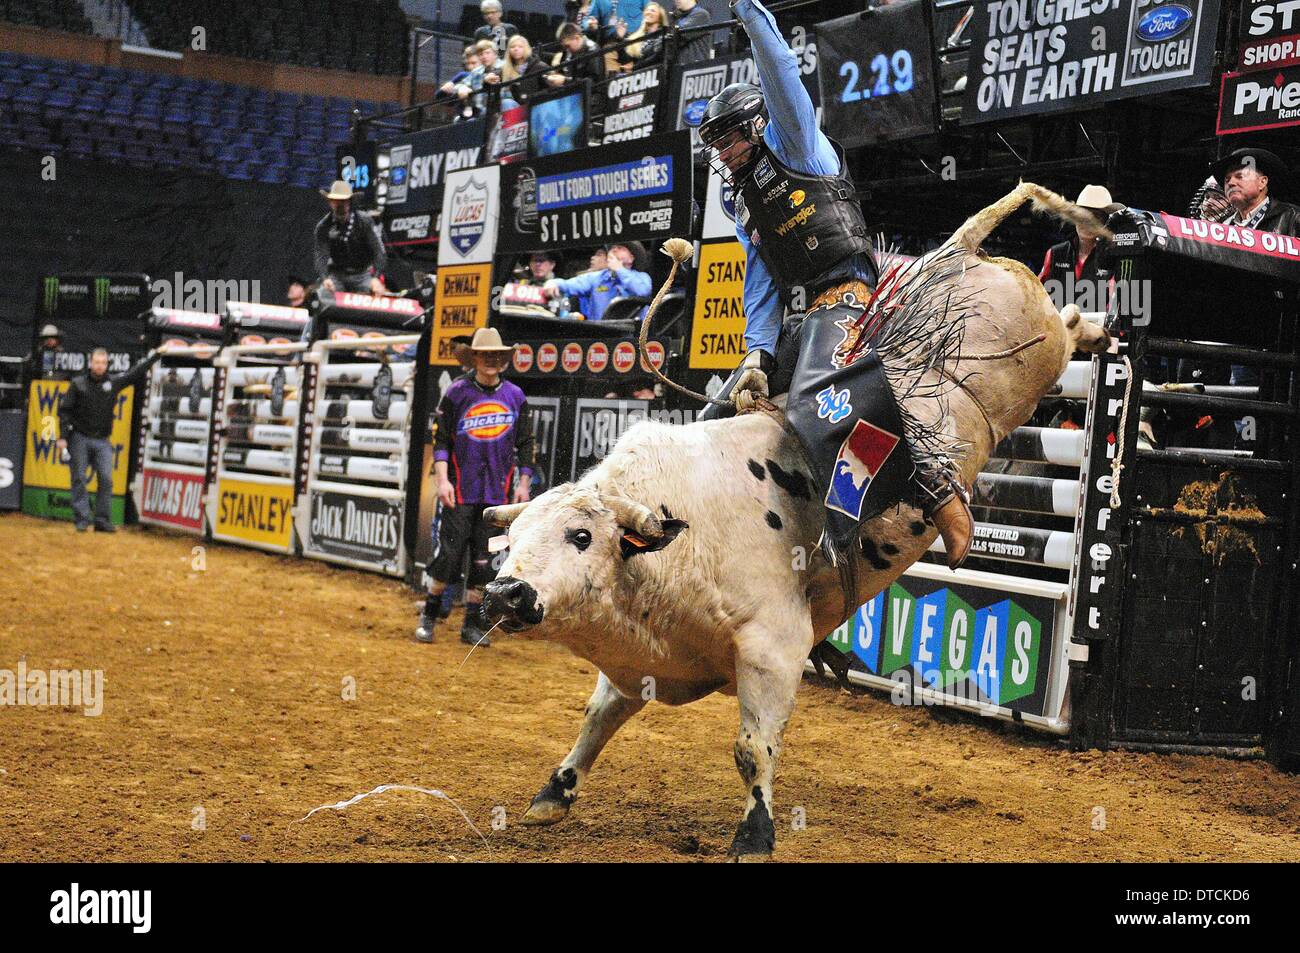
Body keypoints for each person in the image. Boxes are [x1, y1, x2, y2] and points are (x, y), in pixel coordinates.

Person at [696, 0, 973, 571]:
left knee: (814, 408)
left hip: (854, 295)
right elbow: (761, 285)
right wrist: (756, 353)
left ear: (757, 124)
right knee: (714, 416)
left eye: (728, 138)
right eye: (714, 144)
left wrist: (748, 10)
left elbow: (778, 68)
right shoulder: (742, 201)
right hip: (806, 315)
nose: (722, 152)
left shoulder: (793, 139)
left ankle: (930, 490)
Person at [416, 327, 534, 646]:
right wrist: (442, 480)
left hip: (496, 495)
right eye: (485, 355)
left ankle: (472, 624)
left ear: (503, 359)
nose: (491, 360)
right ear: (475, 359)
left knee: (484, 562)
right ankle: (428, 615)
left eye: (496, 355)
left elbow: (525, 444)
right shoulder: (456, 393)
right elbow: (440, 439)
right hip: (459, 490)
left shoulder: (515, 397)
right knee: (450, 556)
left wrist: (523, 484)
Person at [58, 346, 163, 532]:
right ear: (91, 363)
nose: (100, 366)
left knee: (106, 479)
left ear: (107, 364)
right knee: (79, 479)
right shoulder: (78, 384)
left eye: (103, 363)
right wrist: (63, 437)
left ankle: (101, 520)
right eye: (97, 362)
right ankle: (82, 519)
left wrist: (157, 355)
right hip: (79, 437)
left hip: (102, 440)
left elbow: (135, 373)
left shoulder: (113, 382)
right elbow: (65, 411)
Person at [1199, 148, 1299, 236]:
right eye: (1227, 179)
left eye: (1240, 177)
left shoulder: (1293, 218)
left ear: (1262, 182)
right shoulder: (1224, 228)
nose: (1231, 183)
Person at [542, 242, 651, 320]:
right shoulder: (596, 278)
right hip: (602, 335)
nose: (614, 250)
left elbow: (642, 291)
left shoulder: (642, 277)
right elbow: (569, 284)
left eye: (620, 247)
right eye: (612, 247)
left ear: (631, 258)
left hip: (634, 336)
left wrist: (619, 270)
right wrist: (553, 283)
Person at [314, 180, 386, 294]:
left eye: (343, 201)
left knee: (374, 294)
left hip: (363, 274)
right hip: (337, 275)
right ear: (330, 202)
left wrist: (376, 278)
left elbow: (378, 251)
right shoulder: (323, 227)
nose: (340, 205)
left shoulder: (364, 221)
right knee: (323, 294)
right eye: (336, 201)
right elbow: (321, 255)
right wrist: (325, 278)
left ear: (349, 202)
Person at [546, 21, 606, 89]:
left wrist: (565, 81)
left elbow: (594, 81)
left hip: (592, 94)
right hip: (574, 92)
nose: (567, 50)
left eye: (567, 46)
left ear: (576, 38)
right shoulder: (570, 52)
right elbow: (567, 74)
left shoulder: (593, 50)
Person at [616, 1, 668, 69]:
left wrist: (634, 67)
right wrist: (620, 38)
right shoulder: (638, 37)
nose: (648, 12)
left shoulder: (662, 36)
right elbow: (624, 60)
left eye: (653, 11)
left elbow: (656, 58)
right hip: (638, 76)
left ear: (660, 18)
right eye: (647, 10)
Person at [500, 34, 549, 104]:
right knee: (506, 102)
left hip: (535, 104)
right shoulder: (505, 68)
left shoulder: (539, 66)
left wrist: (531, 97)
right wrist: (488, 78)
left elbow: (549, 88)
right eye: (512, 47)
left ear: (526, 48)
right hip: (515, 108)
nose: (516, 49)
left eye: (520, 47)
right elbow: (495, 73)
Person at [670, 0, 713, 65]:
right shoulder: (677, 17)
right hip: (679, 68)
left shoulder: (701, 14)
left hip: (695, 69)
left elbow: (677, 36)